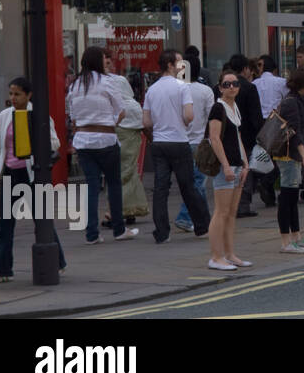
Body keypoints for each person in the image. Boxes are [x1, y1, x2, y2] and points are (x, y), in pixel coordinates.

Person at [0, 77, 66, 283]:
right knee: (5, 223)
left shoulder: (38, 115)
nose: (13, 98)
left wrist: (37, 137)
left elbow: (55, 142)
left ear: (28, 95)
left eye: (17, 94)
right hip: (11, 174)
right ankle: (2, 271)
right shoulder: (5, 116)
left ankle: (57, 262)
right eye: (11, 94)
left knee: (42, 221)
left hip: (32, 175)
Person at [67, 46, 137, 244]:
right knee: (114, 184)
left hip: (82, 140)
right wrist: (109, 123)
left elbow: (72, 117)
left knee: (91, 186)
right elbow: (121, 111)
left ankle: (92, 234)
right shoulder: (108, 82)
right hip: (106, 139)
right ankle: (118, 229)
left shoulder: (74, 85)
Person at [143, 50, 210, 244]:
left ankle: (162, 232)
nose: (183, 66)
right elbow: (189, 115)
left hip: (159, 143)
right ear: (170, 65)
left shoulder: (152, 89)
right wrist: (182, 123)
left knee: (160, 188)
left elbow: (146, 121)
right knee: (188, 185)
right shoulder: (182, 87)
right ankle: (201, 226)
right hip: (179, 141)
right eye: (180, 62)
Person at [206, 71, 251, 271]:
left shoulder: (235, 106)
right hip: (225, 167)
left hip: (237, 165)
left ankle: (230, 254)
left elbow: (238, 137)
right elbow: (214, 139)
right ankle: (216, 257)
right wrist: (225, 165)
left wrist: (245, 163)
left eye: (235, 83)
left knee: (231, 213)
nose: (231, 87)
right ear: (220, 87)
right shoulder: (218, 108)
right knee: (221, 212)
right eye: (227, 84)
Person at [274, 69, 304, 253]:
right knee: (287, 198)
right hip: (288, 155)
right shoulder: (292, 102)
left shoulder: (296, 100)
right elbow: (293, 131)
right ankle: (286, 242)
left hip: (292, 154)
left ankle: (296, 237)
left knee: (292, 197)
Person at [102, 53, 148, 225]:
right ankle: (127, 208)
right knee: (127, 170)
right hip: (127, 126)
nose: (108, 65)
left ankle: (120, 210)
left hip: (118, 126)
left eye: (108, 61)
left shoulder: (100, 82)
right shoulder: (116, 81)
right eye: (105, 62)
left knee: (121, 171)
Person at [175, 57, 214, 234]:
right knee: (198, 182)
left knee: (195, 182)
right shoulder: (206, 91)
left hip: (180, 141)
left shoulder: (175, 90)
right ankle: (185, 216)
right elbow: (211, 117)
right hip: (199, 142)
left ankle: (204, 220)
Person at [232, 55, 272, 217]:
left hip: (229, 135)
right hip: (247, 135)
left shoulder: (222, 86)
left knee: (233, 169)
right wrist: (261, 135)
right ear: (246, 69)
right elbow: (256, 116)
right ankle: (243, 205)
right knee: (247, 169)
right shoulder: (249, 88)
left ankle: (232, 203)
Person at [254, 54, 288, 120]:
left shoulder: (254, 83)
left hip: (259, 119)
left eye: (259, 65)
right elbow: (288, 98)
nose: (257, 68)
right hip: (276, 118)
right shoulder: (282, 82)